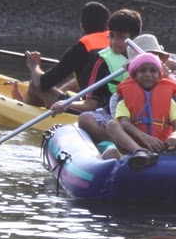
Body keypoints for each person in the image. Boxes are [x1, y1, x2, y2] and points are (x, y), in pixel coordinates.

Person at [106, 52, 176, 168]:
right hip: (137, 143)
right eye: (142, 71)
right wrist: (144, 137)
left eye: (153, 70)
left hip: (164, 145)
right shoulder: (126, 98)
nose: (148, 74)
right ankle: (140, 152)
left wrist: (175, 136)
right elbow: (124, 123)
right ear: (135, 76)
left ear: (159, 75)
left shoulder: (168, 98)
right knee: (112, 124)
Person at [50, 8, 142, 145]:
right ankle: (123, 142)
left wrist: (165, 66)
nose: (115, 41)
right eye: (112, 36)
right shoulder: (102, 62)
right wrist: (66, 104)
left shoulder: (148, 58)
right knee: (85, 119)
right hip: (114, 117)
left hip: (145, 115)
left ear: (135, 39)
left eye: (122, 37)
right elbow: (91, 105)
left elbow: (171, 65)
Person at [18, 1, 110, 108]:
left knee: (35, 84)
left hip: (90, 111)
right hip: (114, 105)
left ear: (82, 26)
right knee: (75, 82)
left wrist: (34, 66)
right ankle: (47, 104)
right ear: (108, 25)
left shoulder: (81, 48)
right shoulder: (119, 43)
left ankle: (26, 106)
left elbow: (42, 84)